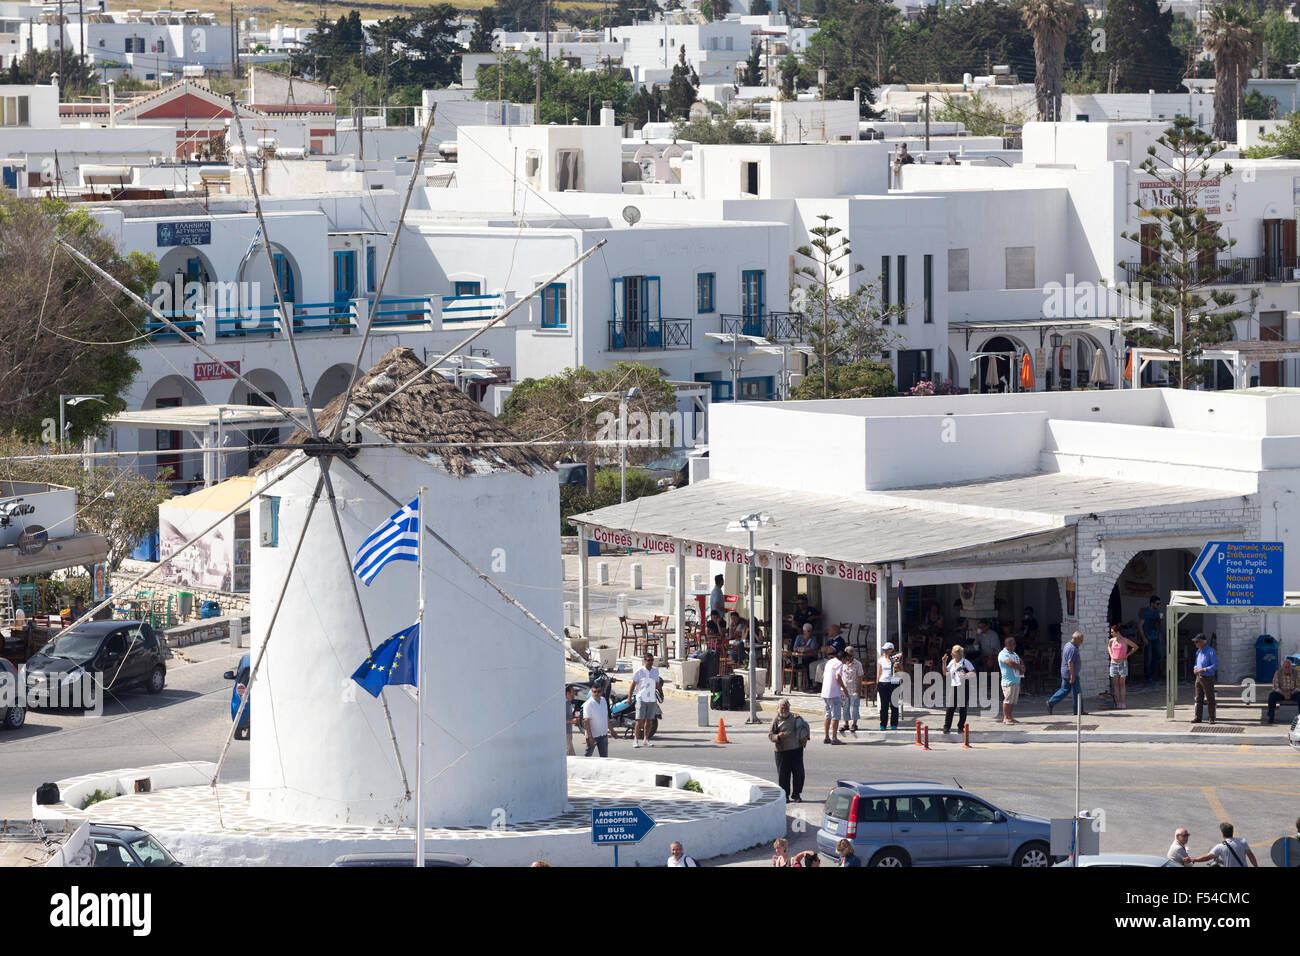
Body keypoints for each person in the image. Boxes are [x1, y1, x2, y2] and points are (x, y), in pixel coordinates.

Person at [768, 698, 807, 801]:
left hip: (796, 749)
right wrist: (778, 737)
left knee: (799, 774)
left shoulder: (796, 717)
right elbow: (771, 736)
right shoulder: (776, 720)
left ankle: (796, 794)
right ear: (778, 708)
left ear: (789, 708)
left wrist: (805, 737)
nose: (784, 710)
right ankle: (785, 795)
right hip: (782, 751)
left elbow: (804, 728)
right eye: (782, 708)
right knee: (783, 775)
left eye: (786, 708)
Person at [1047, 630, 1085, 716]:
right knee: (1077, 692)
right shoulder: (1072, 648)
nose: (1081, 642)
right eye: (1081, 640)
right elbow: (1070, 662)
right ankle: (1078, 711)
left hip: (1066, 672)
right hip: (1070, 673)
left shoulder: (1068, 645)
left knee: (1064, 689)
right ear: (1076, 639)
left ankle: (1051, 702)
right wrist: (1072, 675)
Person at [1188, 822, 1258, 867]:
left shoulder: (1220, 846)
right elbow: (1251, 856)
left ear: (1222, 834)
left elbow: (1207, 857)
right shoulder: (1242, 841)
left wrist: (1193, 859)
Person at [631, 653, 663, 748]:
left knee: (649, 720)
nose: (650, 662)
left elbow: (657, 683)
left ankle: (646, 739)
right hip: (641, 698)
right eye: (648, 660)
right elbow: (633, 684)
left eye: (652, 660)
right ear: (644, 660)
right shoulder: (640, 671)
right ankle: (636, 740)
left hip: (652, 699)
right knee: (639, 720)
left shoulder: (655, 671)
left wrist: (661, 693)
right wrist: (629, 697)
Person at [941, 644, 975, 734]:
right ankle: (946, 727)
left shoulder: (965, 662)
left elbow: (973, 673)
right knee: (950, 708)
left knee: (962, 708)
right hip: (954, 686)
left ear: (958, 654)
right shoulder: (952, 662)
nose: (951, 654)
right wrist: (944, 662)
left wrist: (965, 675)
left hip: (964, 687)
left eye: (952, 653)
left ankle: (960, 727)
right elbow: (945, 673)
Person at [1107, 624, 1139, 709]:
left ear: (1118, 632)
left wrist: (1128, 654)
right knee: (1116, 684)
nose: (1111, 633)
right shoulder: (1111, 641)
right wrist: (1111, 654)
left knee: (1122, 684)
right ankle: (1118, 702)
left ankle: (1123, 702)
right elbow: (1108, 646)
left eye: (1112, 632)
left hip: (1123, 663)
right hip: (1113, 663)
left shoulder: (1125, 640)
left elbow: (1135, 647)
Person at [997, 635, 1025, 725]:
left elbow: (1020, 661)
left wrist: (1022, 667)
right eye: (1013, 644)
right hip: (1008, 681)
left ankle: (1010, 716)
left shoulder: (1014, 654)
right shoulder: (1003, 654)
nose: (1015, 645)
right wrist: (1020, 667)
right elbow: (1009, 663)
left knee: (1013, 701)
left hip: (1016, 680)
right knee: (1007, 700)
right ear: (1008, 645)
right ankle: (1005, 717)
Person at [821, 650, 847, 744]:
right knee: (835, 715)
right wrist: (844, 688)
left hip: (825, 692)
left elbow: (823, 676)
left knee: (828, 714)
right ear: (843, 658)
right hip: (833, 693)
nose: (846, 662)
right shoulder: (839, 663)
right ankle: (834, 738)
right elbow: (838, 677)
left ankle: (826, 737)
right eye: (846, 659)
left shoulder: (829, 662)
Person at [1191, 633, 1217, 725]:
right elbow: (1196, 663)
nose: (1196, 644)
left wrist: (1205, 669)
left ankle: (1211, 718)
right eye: (1195, 642)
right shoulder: (1198, 652)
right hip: (1199, 677)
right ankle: (1198, 717)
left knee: (1210, 698)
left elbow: (1215, 665)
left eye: (1197, 642)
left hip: (1207, 677)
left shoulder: (1211, 651)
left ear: (1203, 642)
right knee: (1198, 697)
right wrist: (1195, 668)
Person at [582, 682, 613, 757]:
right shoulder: (588, 704)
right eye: (594, 691)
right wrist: (590, 737)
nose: (596, 693)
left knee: (604, 758)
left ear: (601, 692)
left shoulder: (603, 700)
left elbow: (606, 717)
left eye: (598, 691)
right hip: (593, 736)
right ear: (591, 692)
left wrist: (612, 730)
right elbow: (586, 721)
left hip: (603, 735)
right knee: (587, 757)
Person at [1267, 657, 1300, 724]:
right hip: (1281, 693)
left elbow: (1298, 686)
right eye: (1285, 667)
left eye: (1288, 667)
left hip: (1293, 693)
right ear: (1282, 667)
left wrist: (1291, 693)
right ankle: (1271, 717)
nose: (1287, 668)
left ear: (1291, 667)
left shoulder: (1296, 673)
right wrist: (1284, 694)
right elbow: (1275, 687)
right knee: (1272, 695)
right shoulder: (1278, 673)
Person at [1139, 596, 1164, 684]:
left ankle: (1150, 673)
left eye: (1159, 603)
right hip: (1147, 638)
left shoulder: (1157, 612)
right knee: (1148, 658)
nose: (1158, 605)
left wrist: (1162, 620)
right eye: (1157, 603)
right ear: (1152, 603)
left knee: (1160, 656)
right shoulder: (1145, 612)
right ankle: (1148, 677)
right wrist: (1144, 638)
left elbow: (1160, 626)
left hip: (1155, 638)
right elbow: (1140, 626)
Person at [877, 641, 902, 730]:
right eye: (884, 649)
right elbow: (879, 672)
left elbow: (901, 673)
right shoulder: (881, 659)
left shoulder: (897, 659)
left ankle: (894, 724)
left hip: (894, 683)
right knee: (884, 705)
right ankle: (883, 724)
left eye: (886, 649)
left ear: (891, 650)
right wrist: (877, 684)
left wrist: (896, 667)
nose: (884, 651)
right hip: (883, 683)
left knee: (894, 705)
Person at [840, 646, 864, 734]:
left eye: (851, 655)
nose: (849, 658)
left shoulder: (858, 664)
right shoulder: (842, 663)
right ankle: (846, 724)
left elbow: (860, 677)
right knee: (845, 707)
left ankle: (854, 724)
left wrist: (859, 690)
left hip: (854, 689)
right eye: (848, 656)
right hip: (844, 689)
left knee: (855, 707)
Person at [792, 624, 819, 689]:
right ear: (804, 631)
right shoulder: (799, 637)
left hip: (810, 657)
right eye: (808, 631)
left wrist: (801, 648)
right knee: (794, 664)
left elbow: (812, 649)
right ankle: (795, 684)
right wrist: (806, 648)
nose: (810, 632)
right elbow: (794, 648)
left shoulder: (813, 638)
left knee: (808, 664)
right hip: (800, 657)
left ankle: (810, 684)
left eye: (811, 631)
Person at [564, 684, 579, 757]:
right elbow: (560, 719)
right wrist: (571, 721)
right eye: (573, 691)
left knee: (570, 753)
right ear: (567, 693)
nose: (574, 693)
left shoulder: (568, 702)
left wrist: (574, 717)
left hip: (569, 732)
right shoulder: (564, 704)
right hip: (565, 733)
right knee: (570, 754)